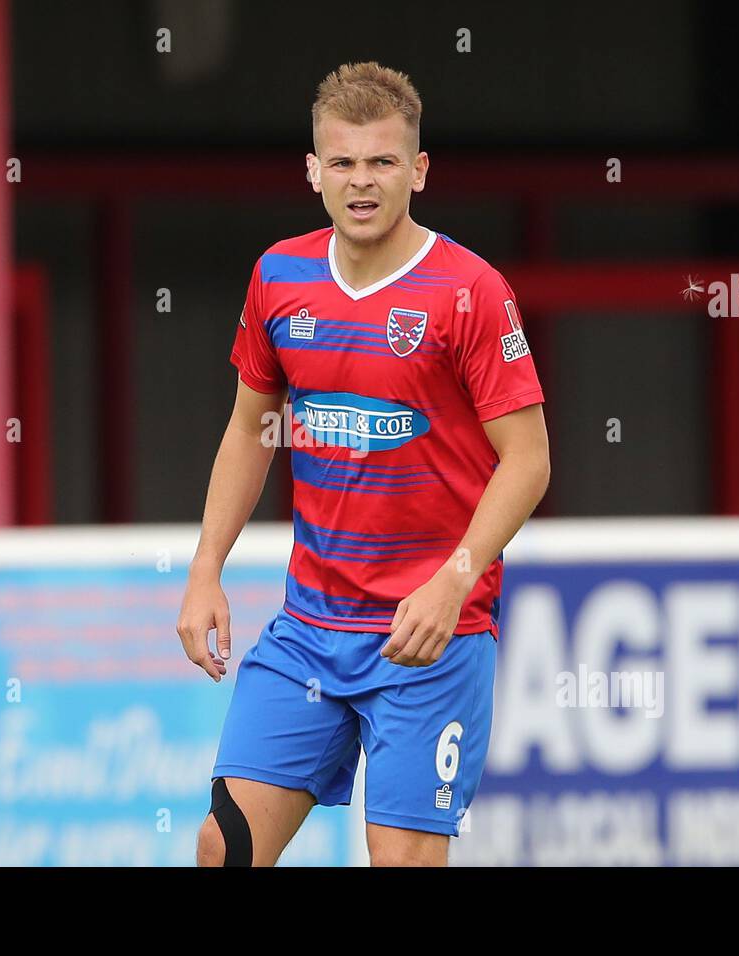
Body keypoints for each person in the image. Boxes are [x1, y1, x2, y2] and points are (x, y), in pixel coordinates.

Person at [177, 61, 550, 867]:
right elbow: (250, 431)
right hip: (310, 631)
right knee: (224, 846)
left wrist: (455, 577)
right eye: (342, 162)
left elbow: (527, 461)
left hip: (428, 641)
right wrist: (206, 567)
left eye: (382, 161)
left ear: (417, 170)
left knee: (403, 862)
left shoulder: (471, 292)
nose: (362, 181)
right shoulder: (280, 277)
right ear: (313, 172)